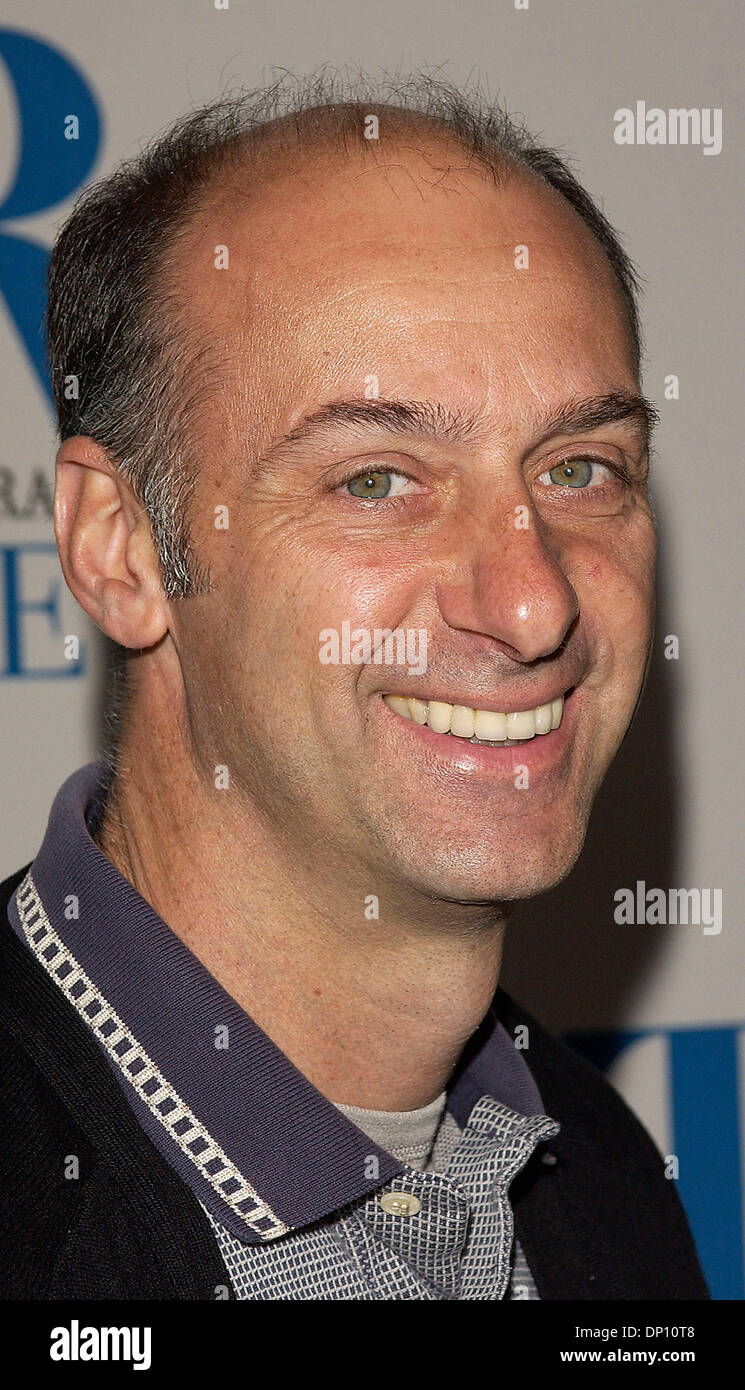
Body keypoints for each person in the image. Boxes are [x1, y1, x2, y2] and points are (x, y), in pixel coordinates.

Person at [0, 74, 708, 1300]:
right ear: (119, 548)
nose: (534, 602)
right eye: (377, 480)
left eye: (581, 466)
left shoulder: (599, 1186)